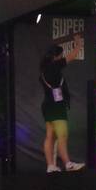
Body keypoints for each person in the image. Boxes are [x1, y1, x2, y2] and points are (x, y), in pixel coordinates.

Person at [39, 43, 83, 173]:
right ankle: (68, 164)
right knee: (62, 135)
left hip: (47, 105)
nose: (62, 57)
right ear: (56, 57)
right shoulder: (54, 66)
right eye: (61, 55)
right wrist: (79, 42)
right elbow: (73, 55)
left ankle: (50, 165)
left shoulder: (43, 70)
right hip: (57, 106)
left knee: (50, 135)